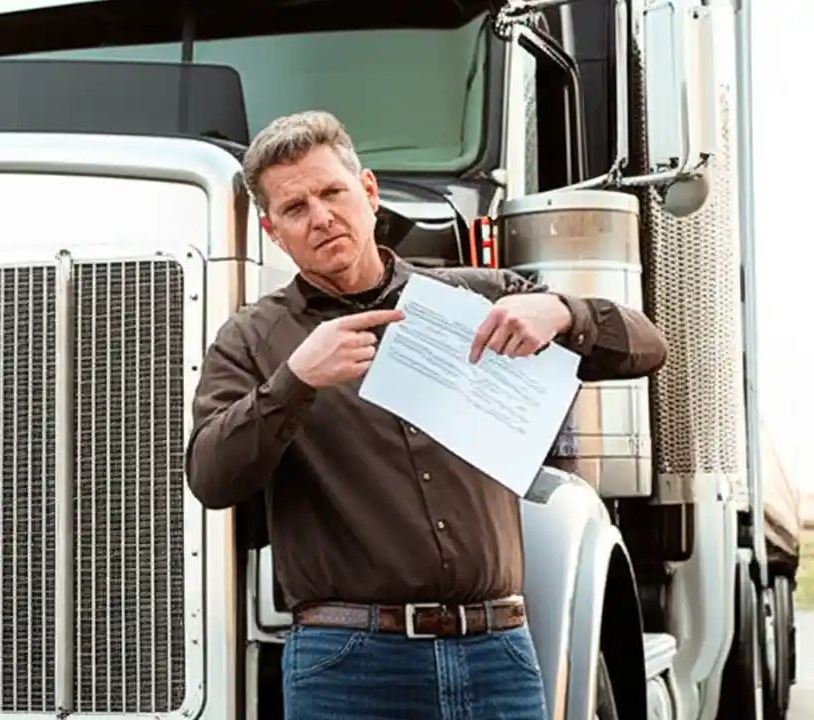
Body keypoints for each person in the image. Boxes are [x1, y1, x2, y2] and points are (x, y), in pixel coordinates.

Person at [184, 110, 668, 719]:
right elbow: (210, 476)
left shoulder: (480, 299)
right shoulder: (253, 339)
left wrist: (564, 313)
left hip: (499, 653)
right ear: (272, 230)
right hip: (348, 667)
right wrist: (295, 381)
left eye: (332, 192)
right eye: (295, 207)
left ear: (367, 191)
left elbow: (649, 347)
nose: (321, 217)